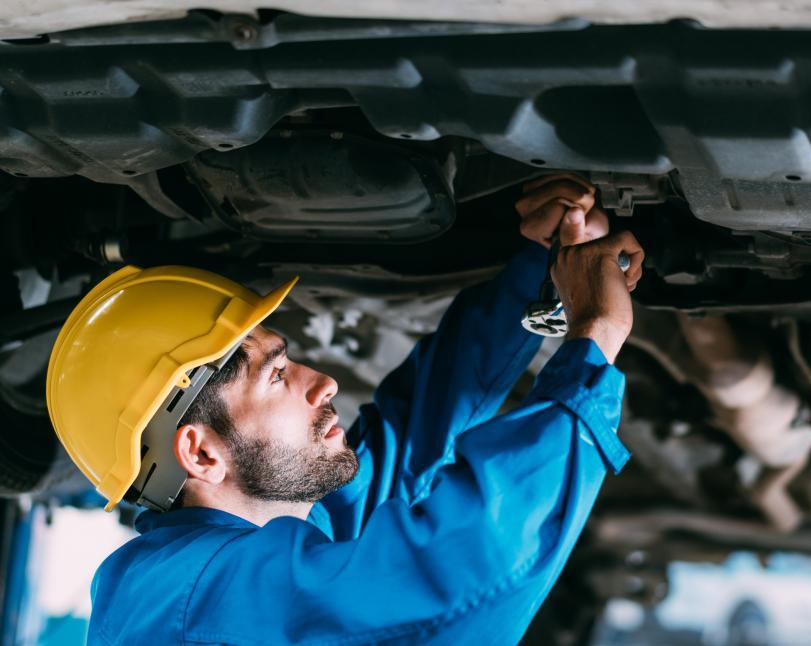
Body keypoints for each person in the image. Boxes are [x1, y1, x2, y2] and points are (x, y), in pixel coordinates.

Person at [45, 173, 645, 645]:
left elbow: (417, 437)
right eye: (276, 375)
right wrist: (595, 336)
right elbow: (466, 566)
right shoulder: (196, 598)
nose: (325, 382)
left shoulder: (253, 540)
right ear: (201, 452)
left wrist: (546, 267)